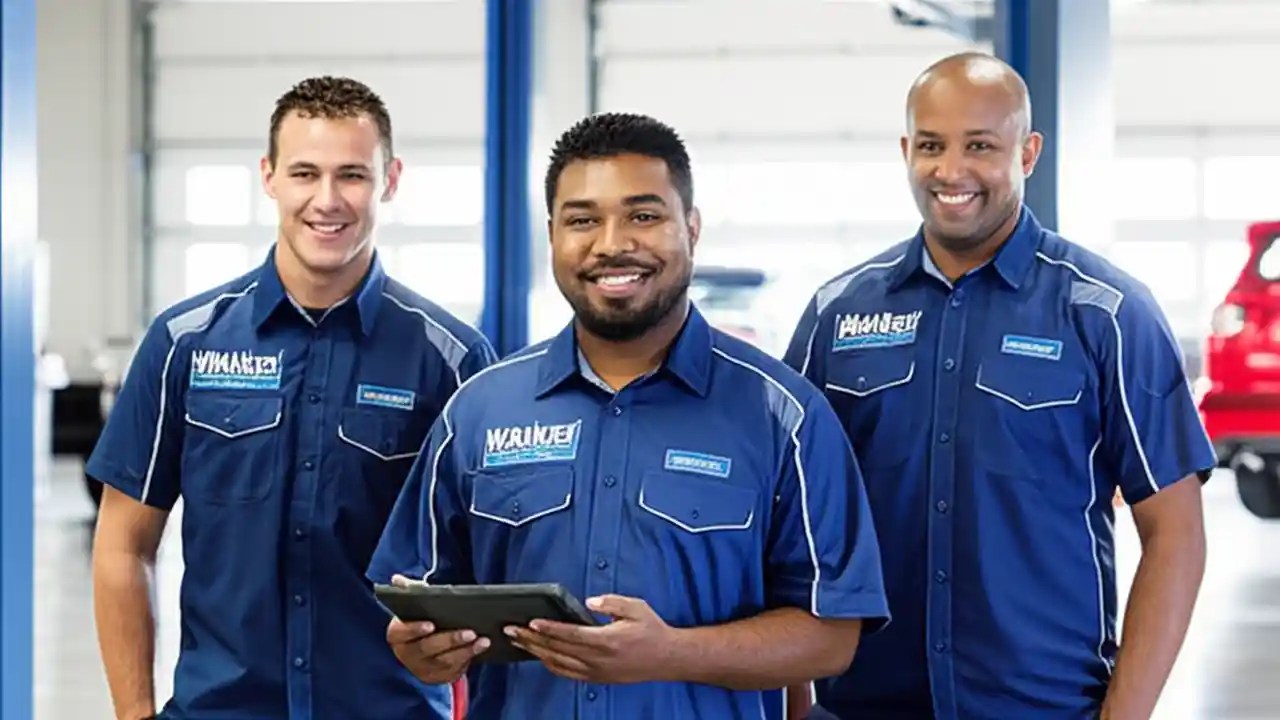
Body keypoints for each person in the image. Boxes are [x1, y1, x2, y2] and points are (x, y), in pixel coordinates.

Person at [367, 112, 890, 720]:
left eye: (643, 216)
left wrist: (670, 654)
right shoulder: (478, 412)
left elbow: (832, 637)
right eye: (582, 220)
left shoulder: (783, 416)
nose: (612, 243)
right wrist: (423, 650)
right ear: (552, 236)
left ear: (691, 229)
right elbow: (417, 600)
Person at [783, 51, 1214, 720]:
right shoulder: (837, 315)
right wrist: (794, 702)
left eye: (980, 145)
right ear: (905, 150)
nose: (950, 171)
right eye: (931, 145)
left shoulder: (1106, 314)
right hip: (864, 707)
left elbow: (1176, 534)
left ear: (1028, 152)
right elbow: (789, 518)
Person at [88, 76, 495, 720]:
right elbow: (122, 545)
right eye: (305, 172)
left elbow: (486, 572)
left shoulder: (453, 361)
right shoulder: (183, 343)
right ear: (269, 176)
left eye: (353, 175)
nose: (326, 200)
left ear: (389, 181)